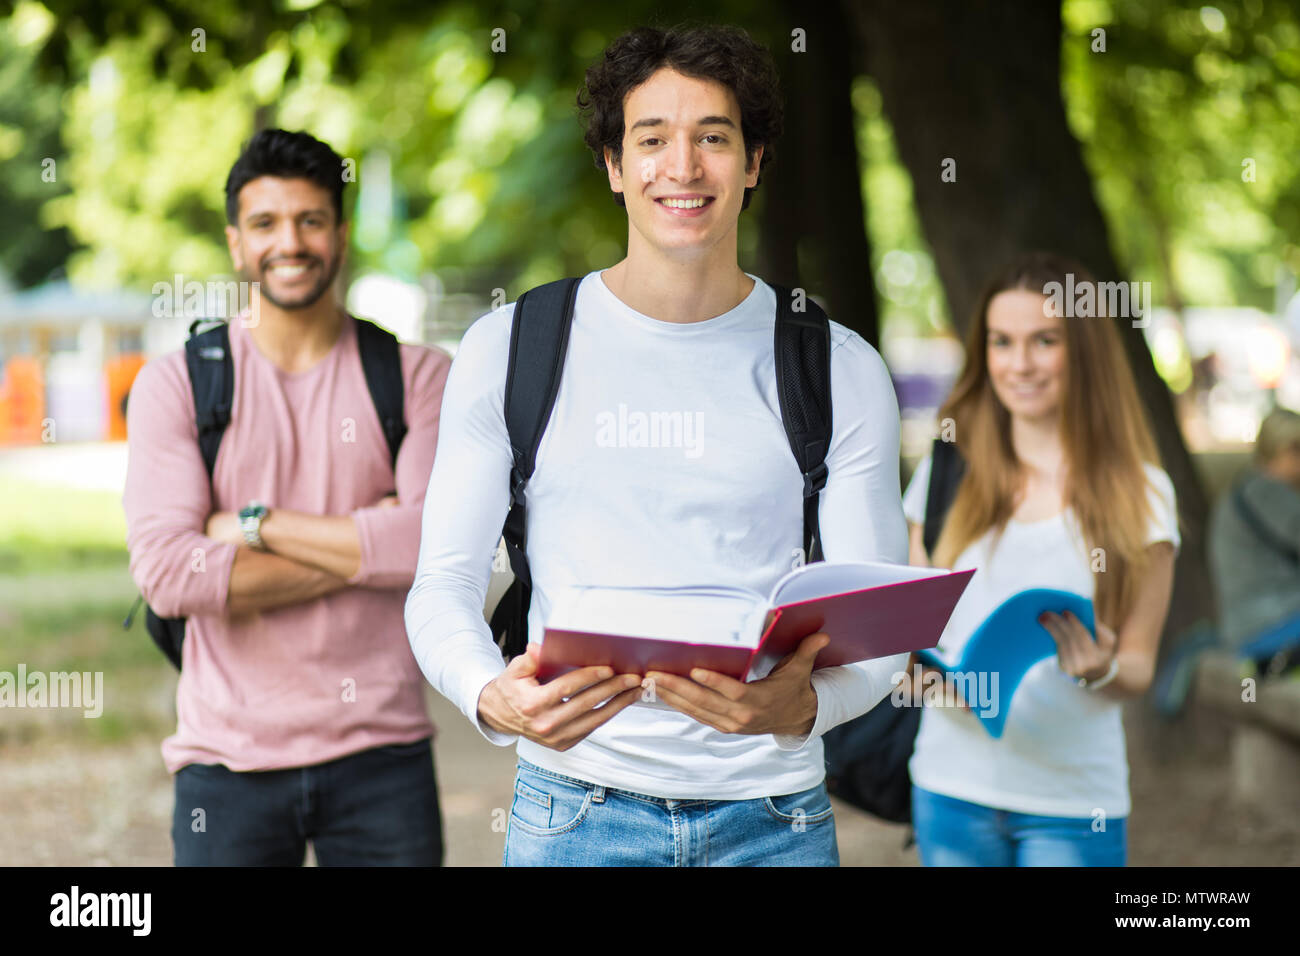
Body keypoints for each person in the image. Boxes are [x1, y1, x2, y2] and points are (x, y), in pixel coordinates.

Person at [405, 24, 907, 867]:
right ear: (613, 165)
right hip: (572, 813)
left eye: (714, 137)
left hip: (772, 819)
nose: (683, 167)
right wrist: (491, 697)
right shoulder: (515, 347)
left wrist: (806, 710)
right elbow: (440, 587)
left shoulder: (836, 366)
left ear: (752, 163)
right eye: (652, 139)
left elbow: (882, 628)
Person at [124, 129, 452, 866]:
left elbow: (436, 545)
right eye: (266, 223)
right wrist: (373, 538)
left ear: (339, 234)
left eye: (310, 220)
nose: (290, 242)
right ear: (237, 243)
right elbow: (170, 576)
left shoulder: (418, 378)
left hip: (383, 754)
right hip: (226, 761)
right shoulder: (179, 384)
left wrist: (253, 526)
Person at [900, 252, 1179, 867]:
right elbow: (912, 628)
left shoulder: (1143, 493)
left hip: (1073, 803)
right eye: (1002, 342)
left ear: (1083, 352)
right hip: (950, 791)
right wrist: (908, 672)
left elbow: (1138, 667)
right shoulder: (947, 472)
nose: (1018, 364)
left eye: (1043, 341)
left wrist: (1100, 666)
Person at [1209, 407, 1300, 674]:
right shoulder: (1269, 492)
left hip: (1244, 626)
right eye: (1295, 448)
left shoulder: (1242, 490)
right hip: (1268, 624)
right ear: (1274, 448)